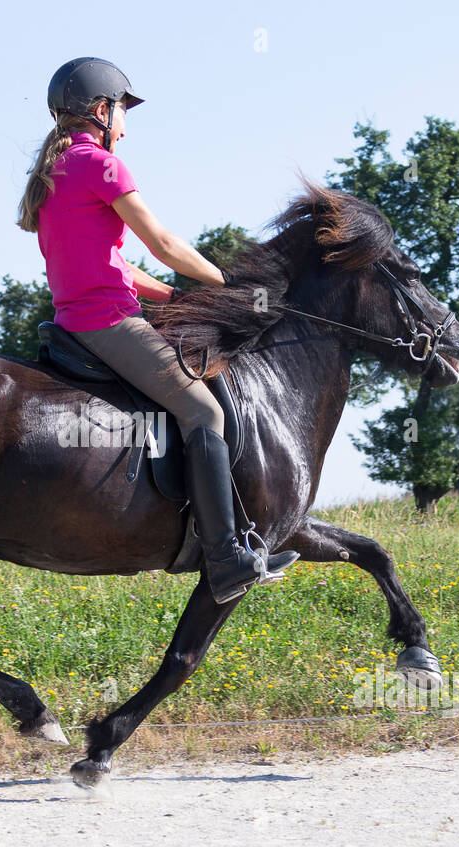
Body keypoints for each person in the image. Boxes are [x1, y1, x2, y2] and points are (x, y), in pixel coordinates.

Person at [16, 56, 298, 604]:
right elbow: (163, 244)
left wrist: (174, 295)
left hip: (81, 318)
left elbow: (115, 264)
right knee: (205, 411)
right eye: (122, 112)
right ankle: (225, 557)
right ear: (100, 111)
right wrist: (227, 281)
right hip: (109, 323)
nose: (124, 124)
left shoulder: (56, 173)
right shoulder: (103, 167)